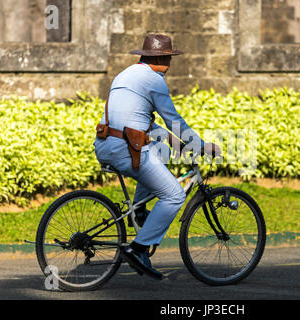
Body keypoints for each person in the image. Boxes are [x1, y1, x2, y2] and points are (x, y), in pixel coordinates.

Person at [93, 34, 220, 280]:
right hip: (126, 149)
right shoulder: (154, 79)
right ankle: (138, 250)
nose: (170, 66)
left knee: (157, 155)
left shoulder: (127, 74)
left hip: (106, 144)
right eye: (169, 59)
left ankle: (139, 213)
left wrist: (174, 142)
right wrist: (201, 145)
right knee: (173, 195)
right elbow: (173, 119)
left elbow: (140, 119)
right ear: (160, 58)